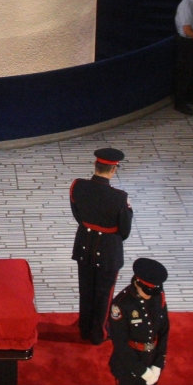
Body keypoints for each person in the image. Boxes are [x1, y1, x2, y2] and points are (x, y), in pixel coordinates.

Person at [109, 257, 170, 385]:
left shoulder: (158, 297)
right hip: (128, 365)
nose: (150, 296)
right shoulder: (121, 304)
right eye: (147, 291)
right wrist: (141, 370)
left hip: (150, 360)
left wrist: (157, 364)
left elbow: (163, 331)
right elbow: (119, 343)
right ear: (137, 282)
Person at [70, 148, 133, 345]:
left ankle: (84, 328)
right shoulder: (120, 198)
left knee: (86, 288)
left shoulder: (77, 186)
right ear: (113, 169)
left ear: (95, 166)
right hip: (107, 249)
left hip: (84, 245)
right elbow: (125, 230)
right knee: (104, 293)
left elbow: (78, 216)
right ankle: (99, 333)